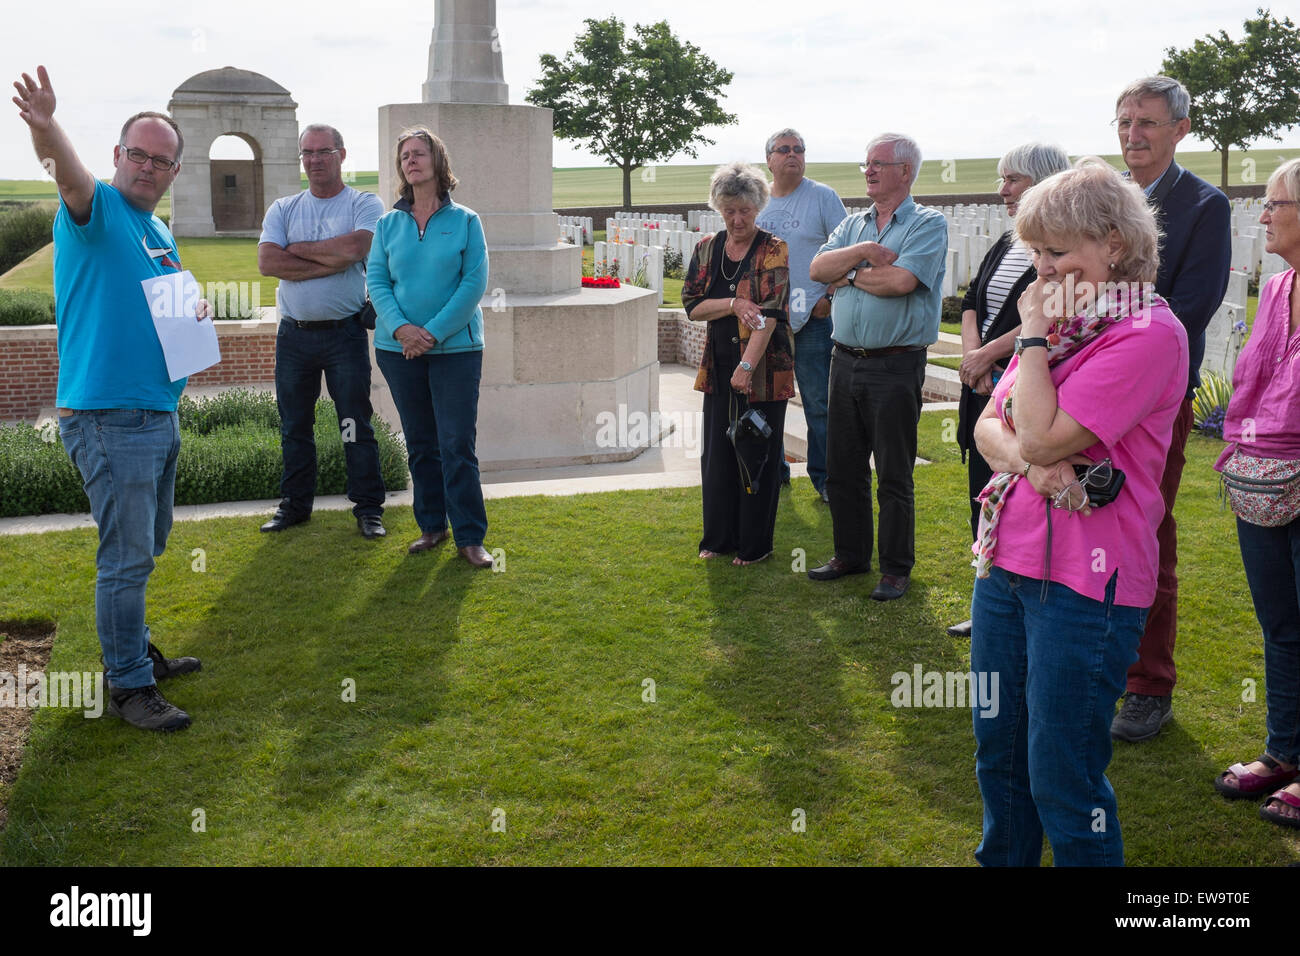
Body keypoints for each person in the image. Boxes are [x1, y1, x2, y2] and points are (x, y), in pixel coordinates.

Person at [970, 158, 1188, 865]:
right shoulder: (1066, 323)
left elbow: (1032, 431)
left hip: (1087, 587)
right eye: (1034, 251)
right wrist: (1038, 464)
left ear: (1114, 246)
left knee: (1062, 775)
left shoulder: (1147, 333)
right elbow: (986, 430)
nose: (1042, 269)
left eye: (1057, 251)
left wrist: (1029, 339)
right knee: (999, 758)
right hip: (1005, 565)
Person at [13, 66, 203, 731]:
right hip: (108, 418)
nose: (148, 167)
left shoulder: (159, 232)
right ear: (118, 157)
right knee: (124, 558)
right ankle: (128, 687)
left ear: (175, 172)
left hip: (156, 411)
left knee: (145, 543)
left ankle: (133, 653)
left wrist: (192, 310)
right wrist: (47, 128)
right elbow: (68, 176)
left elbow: (161, 308)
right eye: (138, 155)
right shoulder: (95, 212)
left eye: (162, 160)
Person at [1110, 76, 1232, 742]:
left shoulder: (1202, 206)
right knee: (1084, 524)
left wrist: (1112, 359)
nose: (1133, 135)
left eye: (1147, 123)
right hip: (1086, 394)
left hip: (1154, 400)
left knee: (1146, 531)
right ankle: (1099, 660)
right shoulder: (1102, 201)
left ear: (1181, 129)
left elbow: (1191, 308)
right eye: (1124, 122)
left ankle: (1148, 683)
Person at [806, 133, 947, 600]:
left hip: (894, 366)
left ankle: (895, 568)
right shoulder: (853, 224)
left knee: (892, 470)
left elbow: (902, 281)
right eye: (866, 164)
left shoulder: (927, 224)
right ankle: (850, 555)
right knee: (843, 466)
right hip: (843, 360)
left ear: (905, 172)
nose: (868, 171)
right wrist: (863, 255)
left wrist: (846, 278)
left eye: (879, 164)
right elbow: (816, 269)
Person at [947, 143, 1071, 638]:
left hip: (1022, 382)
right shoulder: (1006, 241)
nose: (1003, 190)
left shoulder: (1056, 254)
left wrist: (990, 356)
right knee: (983, 489)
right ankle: (989, 598)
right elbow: (973, 299)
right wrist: (973, 356)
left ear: (1041, 181)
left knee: (1019, 492)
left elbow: (1041, 313)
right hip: (985, 381)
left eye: (1013, 179)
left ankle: (1017, 602)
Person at [1211, 158, 1300, 828]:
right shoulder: (1275, 289)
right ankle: (1286, 750)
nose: (1263, 216)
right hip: (1262, 473)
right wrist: (1239, 443)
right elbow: (1252, 376)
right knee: (1280, 623)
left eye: (1274, 203)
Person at [366, 127, 493, 568]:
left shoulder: (466, 222)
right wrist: (402, 330)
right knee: (421, 443)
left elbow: (473, 283)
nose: (411, 161)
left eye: (419, 153)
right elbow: (377, 281)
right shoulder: (388, 223)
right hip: (397, 351)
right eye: (404, 156)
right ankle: (432, 527)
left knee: (457, 443)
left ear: (438, 161)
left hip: (456, 350)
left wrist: (432, 334)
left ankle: (470, 536)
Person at [257, 124, 387, 539]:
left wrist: (297, 250)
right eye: (307, 153)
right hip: (294, 337)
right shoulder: (283, 208)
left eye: (322, 152)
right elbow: (268, 263)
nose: (313, 160)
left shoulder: (364, 202)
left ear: (342, 155)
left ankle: (368, 509)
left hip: (344, 335)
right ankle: (295, 506)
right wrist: (332, 258)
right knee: (295, 426)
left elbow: (357, 249)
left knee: (354, 423)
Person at [682, 162, 794, 565]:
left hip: (762, 368)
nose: (737, 218)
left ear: (758, 206)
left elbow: (769, 314)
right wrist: (732, 303)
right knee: (717, 456)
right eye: (729, 209)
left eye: (745, 209)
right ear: (718, 207)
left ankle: (755, 546)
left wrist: (746, 368)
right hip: (718, 366)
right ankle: (718, 538)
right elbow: (693, 306)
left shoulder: (773, 249)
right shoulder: (707, 249)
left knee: (756, 456)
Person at [757, 128, 848, 504]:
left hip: (812, 316)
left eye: (798, 149)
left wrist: (828, 293)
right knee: (768, 400)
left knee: (819, 403)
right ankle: (773, 473)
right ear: (769, 160)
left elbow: (846, 249)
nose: (792, 155)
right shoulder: (757, 199)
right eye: (783, 150)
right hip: (767, 320)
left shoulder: (823, 197)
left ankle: (825, 479)